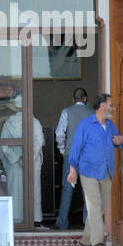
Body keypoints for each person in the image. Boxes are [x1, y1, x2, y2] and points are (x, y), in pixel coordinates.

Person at [66, 92, 123, 246]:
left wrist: (121, 141)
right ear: (102, 106)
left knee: (98, 209)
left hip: (106, 171)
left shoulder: (110, 125)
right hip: (88, 171)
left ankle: (85, 242)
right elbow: (75, 148)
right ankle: (97, 244)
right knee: (94, 206)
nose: (113, 108)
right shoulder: (85, 125)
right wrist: (73, 169)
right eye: (111, 105)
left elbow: (118, 140)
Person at [1, 96, 45, 228]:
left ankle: (15, 219)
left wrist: (16, 158)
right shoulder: (34, 122)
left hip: (13, 164)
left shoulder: (8, 122)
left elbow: (4, 145)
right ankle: (34, 219)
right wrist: (26, 158)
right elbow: (38, 142)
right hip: (31, 164)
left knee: (15, 190)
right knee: (32, 190)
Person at [54, 88, 93, 230]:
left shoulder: (66, 112)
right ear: (86, 98)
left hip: (71, 156)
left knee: (67, 189)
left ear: (73, 99)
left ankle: (62, 222)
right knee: (88, 191)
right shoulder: (92, 114)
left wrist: (63, 150)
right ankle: (88, 223)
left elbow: (59, 133)